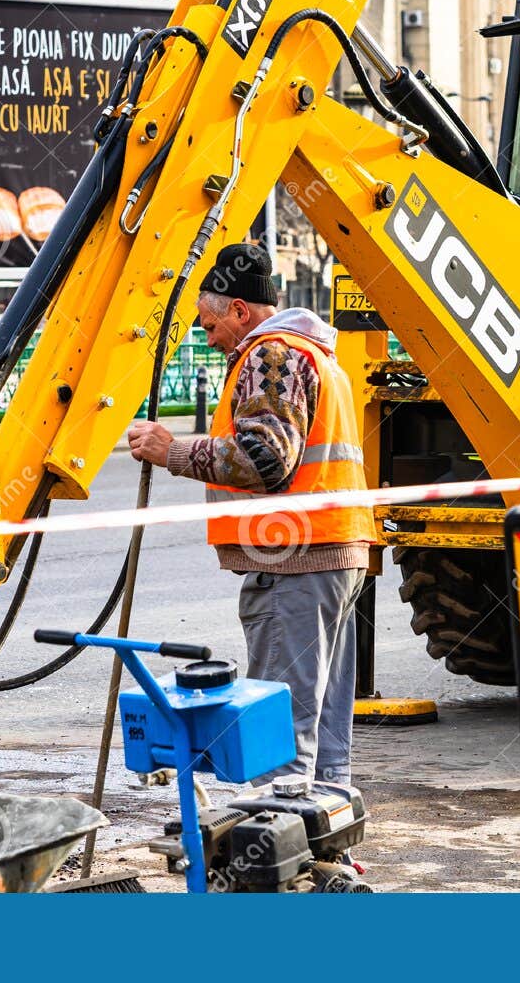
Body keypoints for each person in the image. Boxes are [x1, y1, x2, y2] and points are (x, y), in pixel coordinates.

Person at [126, 243, 375, 786]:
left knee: (280, 735)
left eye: (210, 325)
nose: (209, 339)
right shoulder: (314, 354)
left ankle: (276, 854)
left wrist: (171, 451)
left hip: (297, 562)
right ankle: (322, 849)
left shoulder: (271, 355)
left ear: (240, 310)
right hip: (330, 552)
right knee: (324, 730)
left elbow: (265, 461)